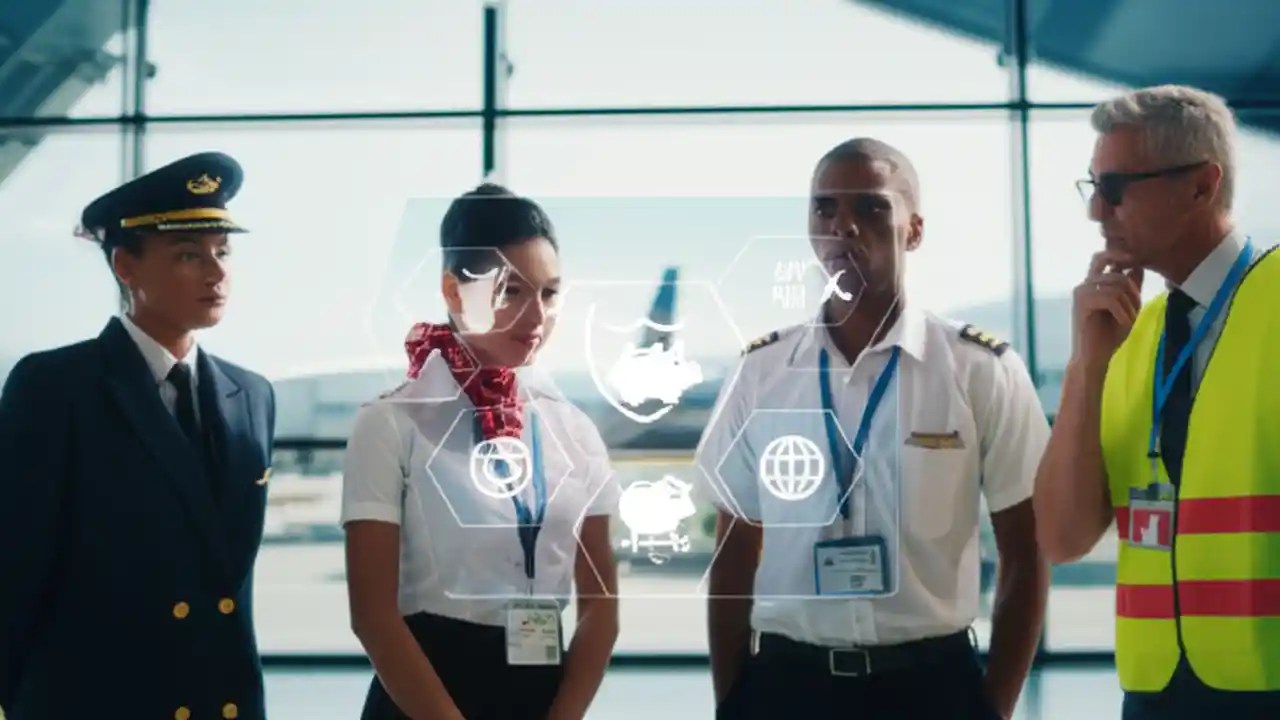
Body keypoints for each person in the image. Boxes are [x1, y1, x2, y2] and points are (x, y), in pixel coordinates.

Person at [698, 138, 1050, 720]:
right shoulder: (761, 374)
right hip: (788, 686)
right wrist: (733, 702)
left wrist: (994, 710)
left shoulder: (980, 369)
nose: (843, 226)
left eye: (871, 207)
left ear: (914, 230)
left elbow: (1026, 549)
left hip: (931, 688)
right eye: (825, 208)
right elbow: (735, 547)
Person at [0, 152, 276, 720]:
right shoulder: (54, 387)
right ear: (125, 265)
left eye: (223, 252)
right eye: (188, 255)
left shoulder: (251, 395)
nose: (216, 272)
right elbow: (15, 566)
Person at [1033, 85, 1280, 719]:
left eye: (1116, 188)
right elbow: (1061, 537)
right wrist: (1087, 367)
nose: (1097, 212)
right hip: (1155, 693)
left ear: (1201, 186)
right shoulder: (1130, 335)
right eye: (1093, 187)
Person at [342, 183, 621, 720]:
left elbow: (601, 606)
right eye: (510, 292)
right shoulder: (392, 423)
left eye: (549, 294)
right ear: (454, 292)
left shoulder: (574, 431)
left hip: (543, 696)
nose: (535, 316)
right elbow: (372, 616)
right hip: (424, 700)